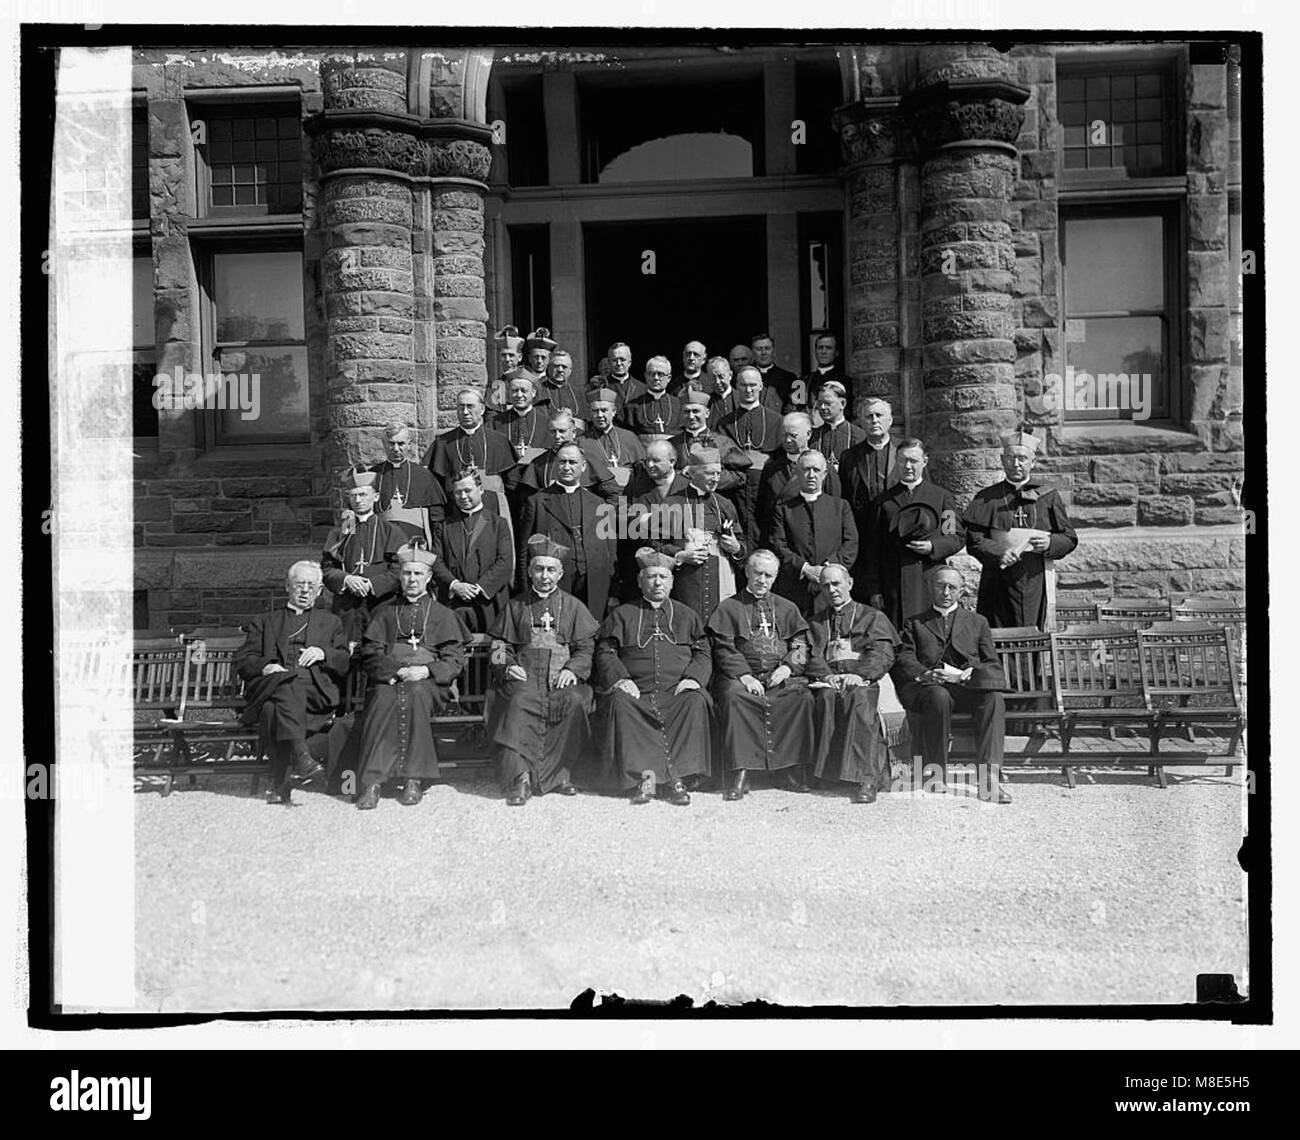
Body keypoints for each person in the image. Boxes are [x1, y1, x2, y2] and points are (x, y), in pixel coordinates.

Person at [585, 549, 714, 806]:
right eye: (652, 576)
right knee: (620, 703)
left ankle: (679, 778)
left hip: (677, 690)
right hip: (636, 692)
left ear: (672, 582)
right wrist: (621, 679)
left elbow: (703, 652)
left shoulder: (687, 615)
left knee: (695, 700)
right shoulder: (622, 614)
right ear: (640, 581)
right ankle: (645, 780)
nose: (658, 583)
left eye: (663, 577)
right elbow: (606, 651)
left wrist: (693, 678)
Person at [352, 544, 471, 810]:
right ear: (400, 576)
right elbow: (370, 653)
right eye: (407, 574)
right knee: (382, 699)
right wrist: (395, 671)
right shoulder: (383, 613)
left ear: (429, 577)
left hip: (429, 683)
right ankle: (372, 781)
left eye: (418, 574)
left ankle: (413, 779)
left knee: (416, 693)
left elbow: (454, 660)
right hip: (390, 680)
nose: (412, 579)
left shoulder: (444, 615)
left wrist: (426, 670)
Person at [487, 535, 598, 806]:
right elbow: (499, 645)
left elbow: (586, 647)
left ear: (560, 574)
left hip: (561, 678)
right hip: (524, 675)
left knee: (573, 701)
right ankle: (520, 778)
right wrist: (507, 664)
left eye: (551, 570)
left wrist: (573, 669)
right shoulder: (515, 606)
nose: (544, 576)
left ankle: (562, 775)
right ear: (529, 571)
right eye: (539, 569)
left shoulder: (573, 606)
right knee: (516, 702)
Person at [890, 566, 1011, 803]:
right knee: (938, 696)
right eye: (940, 585)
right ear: (930, 588)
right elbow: (904, 657)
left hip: (966, 687)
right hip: (929, 688)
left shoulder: (977, 622)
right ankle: (936, 774)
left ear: (961, 591)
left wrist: (971, 671)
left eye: (952, 587)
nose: (946, 592)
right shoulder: (914, 623)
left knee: (994, 699)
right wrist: (924, 674)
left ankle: (990, 780)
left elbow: (992, 663)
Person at [234, 561, 350, 804]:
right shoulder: (265, 621)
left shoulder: (331, 623)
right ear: (288, 587)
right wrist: (265, 667)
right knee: (284, 683)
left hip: (314, 692)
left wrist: (323, 654)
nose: (305, 590)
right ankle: (302, 757)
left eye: (311, 585)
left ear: (319, 591)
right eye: (299, 584)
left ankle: (280, 784)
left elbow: (343, 661)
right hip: (272, 685)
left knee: (271, 710)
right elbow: (243, 660)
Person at [707, 549, 816, 800]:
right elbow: (723, 648)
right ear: (746, 572)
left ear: (775, 577)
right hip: (740, 677)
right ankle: (741, 772)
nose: (762, 580)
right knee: (735, 698)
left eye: (768, 575)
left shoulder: (787, 608)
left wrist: (788, 667)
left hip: (779, 675)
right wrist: (745, 676)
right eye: (757, 573)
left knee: (801, 698)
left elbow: (801, 646)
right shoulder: (728, 608)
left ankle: (788, 771)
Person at [963, 428, 1079, 630]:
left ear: (1032, 462)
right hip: (998, 580)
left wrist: (1050, 543)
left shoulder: (1048, 496)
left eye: (1022, 459)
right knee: (998, 635)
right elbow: (974, 540)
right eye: (1010, 458)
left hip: (1034, 578)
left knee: (1033, 633)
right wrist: (1000, 553)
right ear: (1002, 459)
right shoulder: (986, 497)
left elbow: (1069, 538)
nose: (1016, 464)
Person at [805, 564, 898, 804]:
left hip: (864, 679)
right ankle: (829, 776)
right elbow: (810, 656)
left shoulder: (872, 616)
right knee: (824, 699)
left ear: (850, 583)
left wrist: (860, 674)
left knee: (859, 700)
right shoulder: (815, 622)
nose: (832, 590)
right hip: (830, 681)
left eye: (836, 583)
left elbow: (882, 651)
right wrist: (827, 677)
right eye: (826, 585)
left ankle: (867, 779)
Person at [865, 438, 966, 628]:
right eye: (903, 460)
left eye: (914, 461)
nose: (908, 466)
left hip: (928, 581)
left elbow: (955, 537)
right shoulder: (883, 502)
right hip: (893, 585)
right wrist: (874, 590)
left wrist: (933, 546)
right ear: (896, 461)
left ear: (924, 462)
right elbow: (872, 550)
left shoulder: (942, 497)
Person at [517, 443, 619, 619]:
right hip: (554, 580)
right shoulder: (537, 502)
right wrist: (527, 589)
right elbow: (524, 552)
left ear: (583, 466)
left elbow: (611, 552)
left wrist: (611, 587)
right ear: (555, 465)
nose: (567, 467)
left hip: (594, 580)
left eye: (572, 462)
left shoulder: (599, 504)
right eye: (562, 462)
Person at [321, 469, 405, 647]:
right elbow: (327, 568)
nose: (358, 500)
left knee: (378, 656)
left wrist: (371, 585)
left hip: (381, 605)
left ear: (375, 497)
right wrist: (347, 579)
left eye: (363, 495)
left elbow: (400, 569)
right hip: (347, 608)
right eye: (353, 496)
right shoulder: (343, 530)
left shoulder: (390, 530)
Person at [769, 449, 858, 614]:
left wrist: (827, 569)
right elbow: (778, 545)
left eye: (816, 470)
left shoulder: (840, 507)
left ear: (824, 474)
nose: (811, 475)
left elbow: (851, 544)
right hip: (794, 588)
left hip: (831, 590)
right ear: (797, 472)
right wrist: (805, 569)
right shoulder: (783, 509)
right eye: (806, 469)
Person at [425, 388, 521, 532]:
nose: (465, 412)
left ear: (482, 409)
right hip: (455, 513)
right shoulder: (443, 443)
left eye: (470, 406)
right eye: (460, 407)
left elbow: (512, 483)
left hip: (493, 509)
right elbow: (435, 488)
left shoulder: (499, 440)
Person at [433, 467, 513, 634]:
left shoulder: (498, 524)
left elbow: (505, 561)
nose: (462, 497)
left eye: (467, 490)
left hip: (489, 601)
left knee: (494, 654)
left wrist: (479, 587)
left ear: (481, 489)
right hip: (454, 602)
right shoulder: (444, 526)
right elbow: (436, 561)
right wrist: (455, 585)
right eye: (457, 492)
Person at [715, 366, 785, 546]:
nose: (748, 390)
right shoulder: (725, 422)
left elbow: (780, 457)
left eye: (753, 385)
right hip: (736, 484)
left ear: (761, 386)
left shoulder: (776, 420)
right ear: (736, 386)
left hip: (765, 483)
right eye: (744, 385)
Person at [755, 412, 845, 539]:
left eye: (793, 435)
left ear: (808, 434)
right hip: (776, 538)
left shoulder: (824, 469)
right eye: (784, 435)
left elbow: (834, 510)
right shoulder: (772, 468)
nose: (787, 440)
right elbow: (761, 508)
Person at [517, 408, 621, 505]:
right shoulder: (538, 463)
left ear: (574, 432)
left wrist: (597, 519)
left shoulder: (589, 459)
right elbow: (527, 501)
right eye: (553, 431)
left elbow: (615, 494)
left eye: (562, 431)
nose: (557, 436)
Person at [371, 423, 446, 545]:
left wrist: (436, 553)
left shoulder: (424, 476)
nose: (396, 449)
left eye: (401, 444)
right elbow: (353, 514)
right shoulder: (372, 475)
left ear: (409, 445)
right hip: (380, 544)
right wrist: (347, 536)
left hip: (415, 545)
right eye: (391, 443)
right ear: (383, 444)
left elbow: (437, 520)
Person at [668, 389, 751, 496]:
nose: (691, 416)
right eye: (686, 411)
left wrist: (709, 477)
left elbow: (740, 476)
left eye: (695, 411)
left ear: (707, 413)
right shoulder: (671, 445)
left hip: (713, 502)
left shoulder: (722, 442)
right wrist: (679, 475)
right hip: (680, 502)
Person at [839, 397, 901, 525]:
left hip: (898, 527)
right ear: (861, 423)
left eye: (879, 415)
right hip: (863, 529)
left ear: (890, 420)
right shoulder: (849, 457)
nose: (874, 420)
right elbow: (843, 497)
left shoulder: (905, 451)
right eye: (869, 416)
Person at [582, 387, 646, 493]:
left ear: (614, 411)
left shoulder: (629, 437)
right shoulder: (582, 442)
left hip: (629, 497)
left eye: (604, 410)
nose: (599, 415)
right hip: (598, 498)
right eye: (595, 411)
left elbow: (641, 472)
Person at [490, 375, 550, 464]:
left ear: (533, 392)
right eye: (514, 391)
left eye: (524, 390)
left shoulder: (547, 423)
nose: (519, 395)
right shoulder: (494, 422)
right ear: (509, 393)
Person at [622, 355, 685, 438]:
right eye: (652, 374)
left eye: (660, 374)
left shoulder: (679, 405)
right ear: (645, 376)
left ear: (669, 378)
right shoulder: (631, 407)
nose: (656, 378)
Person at [809, 381, 865, 473]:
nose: (822, 407)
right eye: (820, 403)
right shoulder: (812, 436)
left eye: (827, 403)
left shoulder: (860, 436)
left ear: (842, 404)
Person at [799, 331, 852, 411]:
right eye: (820, 348)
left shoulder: (846, 382)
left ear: (836, 352)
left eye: (828, 348)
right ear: (815, 352)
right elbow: (796, 408)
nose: (823, 352)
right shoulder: (803, 381)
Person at [537, 349, 588, 428]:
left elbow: (586, 423)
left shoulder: (578, 393)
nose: (560, 370)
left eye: (564, 367)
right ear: (548, 368)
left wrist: (571, 420)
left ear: (570, 370)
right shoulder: (539, 389)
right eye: (556, 366)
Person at [750, 332, 800, 411]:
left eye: (767, 348)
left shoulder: (790, 378)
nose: (763, 353)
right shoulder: (744, 377)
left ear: (773, 350)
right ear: (753, 352)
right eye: (759, 349)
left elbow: (794, 408)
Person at [594, 341, 645, 414]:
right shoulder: (601, 387)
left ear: (630, 362)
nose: (619, 363)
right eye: (614, 360)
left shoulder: (642, 388)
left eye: (622, 359)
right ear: (609, 362)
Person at [489, 324, 525, 411]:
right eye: (503, 355)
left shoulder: (530, 380)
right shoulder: (497, 385)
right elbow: (493, 413)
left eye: (511, 355)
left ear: (520, 357)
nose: (507, 359)